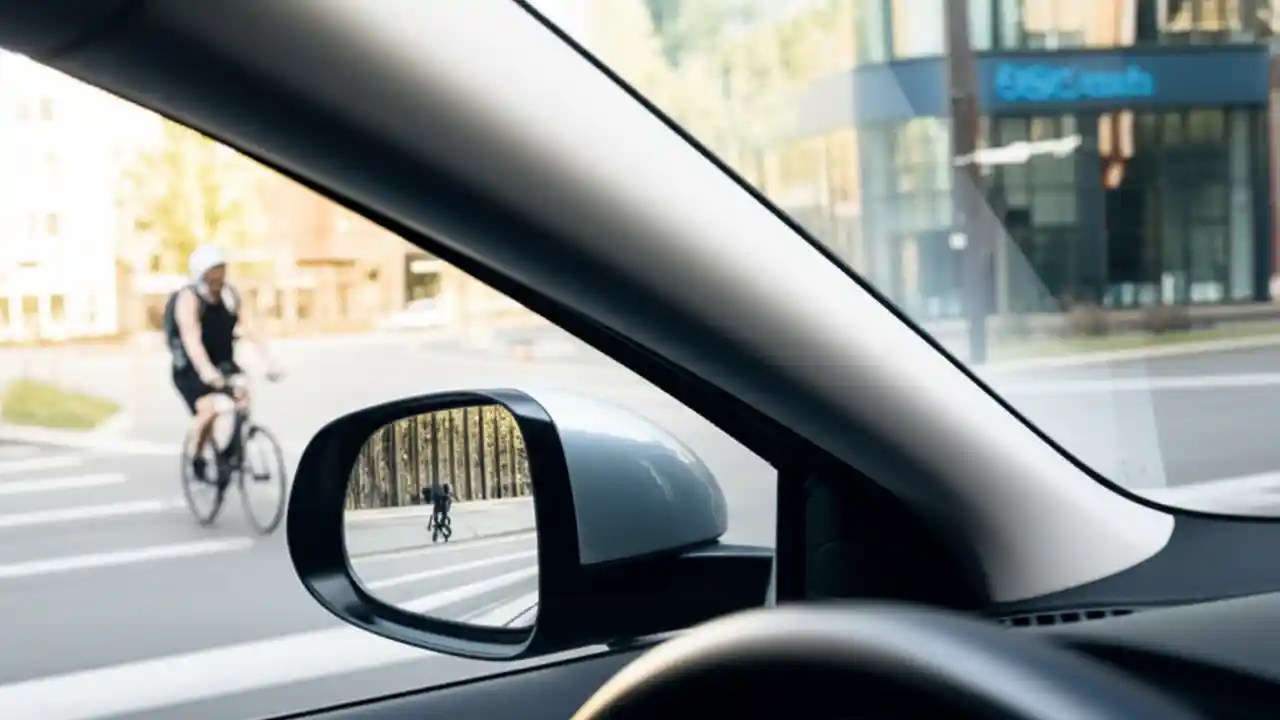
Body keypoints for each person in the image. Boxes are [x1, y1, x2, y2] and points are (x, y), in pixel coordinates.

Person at [165, 244, 283, 482]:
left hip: (223, 363)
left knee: (242, 398)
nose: (219, 276)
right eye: (213, 271)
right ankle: (196, 455)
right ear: (201, 273)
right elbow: (192, 341)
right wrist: (208, 373)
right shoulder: (189, 299)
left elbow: (250, 329)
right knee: (208, 409)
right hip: (190, 369)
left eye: (221, 269)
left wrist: (270, 361)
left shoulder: (230, 295)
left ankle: (228, 454)